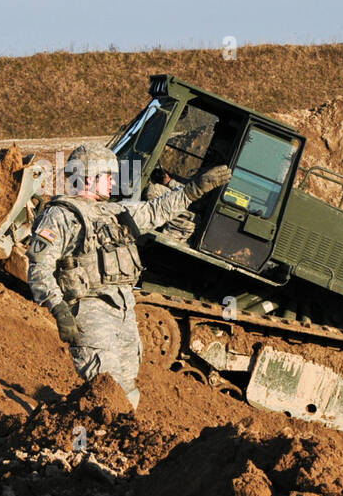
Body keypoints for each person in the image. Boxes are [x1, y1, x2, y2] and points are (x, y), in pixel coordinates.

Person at [27, 144, 229, 410]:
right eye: (108, 175)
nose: (113, 181)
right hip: (90, 309)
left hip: (124, 309)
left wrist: (193, 190)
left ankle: (112, 438)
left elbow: (158, 210)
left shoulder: (116, 213)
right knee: (107, 385)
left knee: (128, 384)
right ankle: (88, 440)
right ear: (88, 176)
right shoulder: (61, 215)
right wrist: (58, 308)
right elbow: (39, 267)